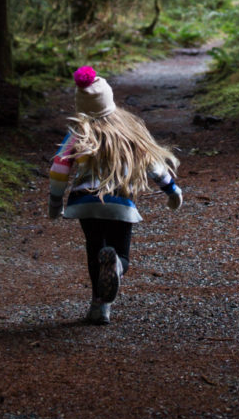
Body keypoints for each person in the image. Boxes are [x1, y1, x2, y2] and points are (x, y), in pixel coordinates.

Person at [48, 65, 183, 324]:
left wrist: (55, 202)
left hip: (85, 202)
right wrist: (171, 190)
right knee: (119, 252)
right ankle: (118, 266)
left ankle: (99, 308)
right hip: (120, 201)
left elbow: (59, 167)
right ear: (109, 101)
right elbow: (154, 165)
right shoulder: (128, 132)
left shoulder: (77, 134)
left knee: (94, 250)